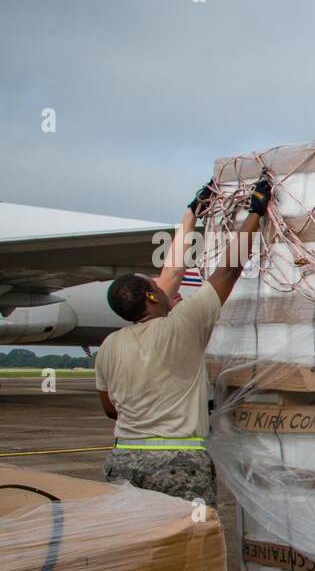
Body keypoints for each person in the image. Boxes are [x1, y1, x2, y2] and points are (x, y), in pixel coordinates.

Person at [95, 175, 271, 504]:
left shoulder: (109, 347)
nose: (164, 285)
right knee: (192, 548)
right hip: (177, 462)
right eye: (155, 285)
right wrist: (256, 213)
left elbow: (110, 409)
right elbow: (229, 270)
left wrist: (191, 214)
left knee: (144, 547)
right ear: (150, 296)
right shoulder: (182, 325)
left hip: (123, 461)